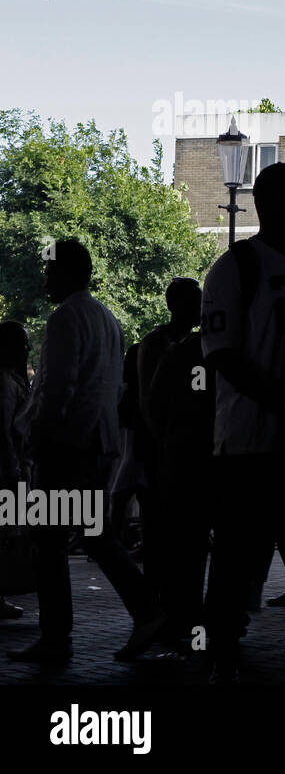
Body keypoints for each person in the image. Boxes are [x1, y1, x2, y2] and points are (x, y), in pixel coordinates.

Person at [9, 240, 165, 664]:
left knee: (48, 543)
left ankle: (57, 638)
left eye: (48, 272)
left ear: (63, 273)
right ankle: (146, 610)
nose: (44, 281)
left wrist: (36, 437)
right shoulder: (106, 318)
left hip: (64, 447)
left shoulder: (65, 319)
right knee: (96, 536)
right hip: (98, 446)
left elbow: (58, 389)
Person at [200, 161, 285, 682]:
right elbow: (222, 353)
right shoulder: (234, 268)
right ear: (269, 205)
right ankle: (222, 651)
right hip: (251, 442)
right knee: (235, 560)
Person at [144, 301, 215, 646]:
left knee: (181, 541)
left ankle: (179, 614)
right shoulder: (227, 349)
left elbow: (154, 402)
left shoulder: (175, 352)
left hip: (182, 455)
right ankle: (214, 616)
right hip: (219, 456)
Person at [0, 321, 32, 620]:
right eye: (23, 344)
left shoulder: (12, 380)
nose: (28, 349)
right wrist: (13, 469)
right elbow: (5, 431)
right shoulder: (6, 384)